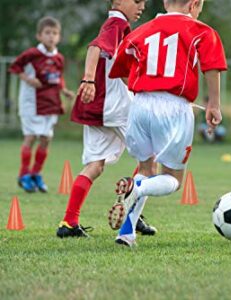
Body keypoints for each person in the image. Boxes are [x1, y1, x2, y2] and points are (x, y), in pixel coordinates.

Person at [108, 0, 227, 247]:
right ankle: (136, 189)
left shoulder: (141, 30)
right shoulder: (201, 31)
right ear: (194, 4)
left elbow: (120, 68)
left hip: (140, 104)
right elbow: (212, 67)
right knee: (172, 180)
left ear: (165, 2)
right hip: (173, 108)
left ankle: (126, 233)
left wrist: (146, 87)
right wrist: (214, 104)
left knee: (145, 170)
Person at [56, 0, 157, 238]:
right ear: (118, 1)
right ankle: (132, 212)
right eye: (137, 1)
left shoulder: (117, 25)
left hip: (98, 109)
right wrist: (88, 79)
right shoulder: (117, 23)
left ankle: (69, 222)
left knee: (95, 165)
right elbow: (95, 47)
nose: (141, 6)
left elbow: (117, 71)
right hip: (115, 108)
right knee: (151, 158)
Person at [9, 16, 75, 193]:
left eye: (54, 33)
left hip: (50, 102)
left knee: (46, 139)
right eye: (47, 33)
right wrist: (28, 79)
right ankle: (24, 175)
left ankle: (36, 173)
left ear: (59, 37)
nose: (51, 37)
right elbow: (14, 67)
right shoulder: (32, 54)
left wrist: (64, 90)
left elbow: (57, 77)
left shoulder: (59, 58)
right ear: (39, 36)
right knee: (30, 138)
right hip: (31, 103)